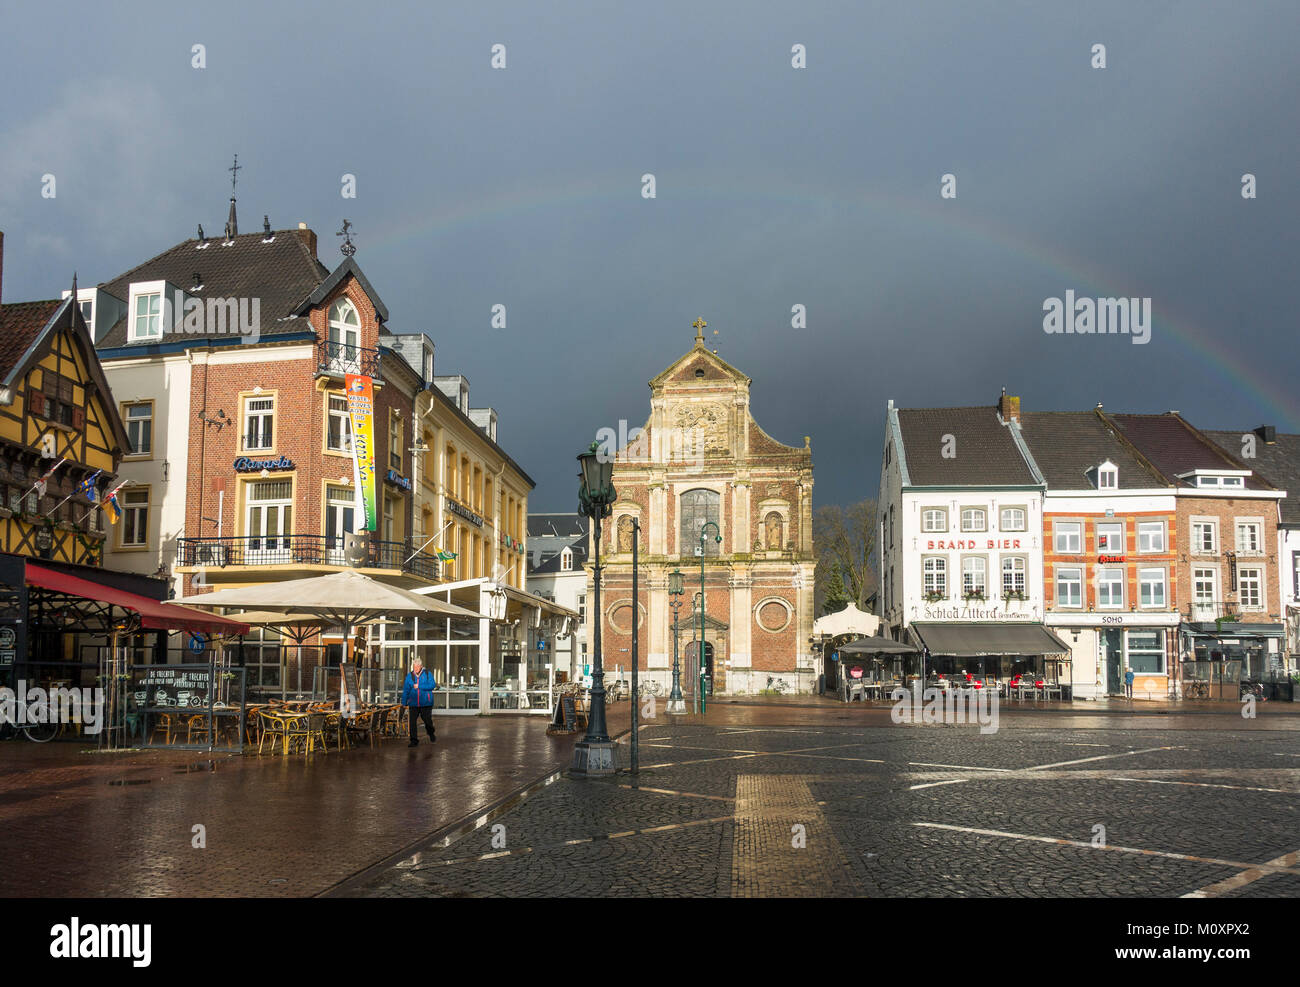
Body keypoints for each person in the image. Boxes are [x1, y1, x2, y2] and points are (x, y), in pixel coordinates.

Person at [402, 658, 438, 746]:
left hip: (426, 703)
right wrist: (404, 702)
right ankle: (414, 740)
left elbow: (432, 685)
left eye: (417, 667)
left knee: (427, 721)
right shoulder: (409, 676)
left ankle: (431, 733)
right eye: (414, 667)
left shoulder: (427, 674)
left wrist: (419, 686)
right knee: (412, 722)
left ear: (421, 666)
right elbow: (406, 689)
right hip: (413, 703)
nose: (416, 669)